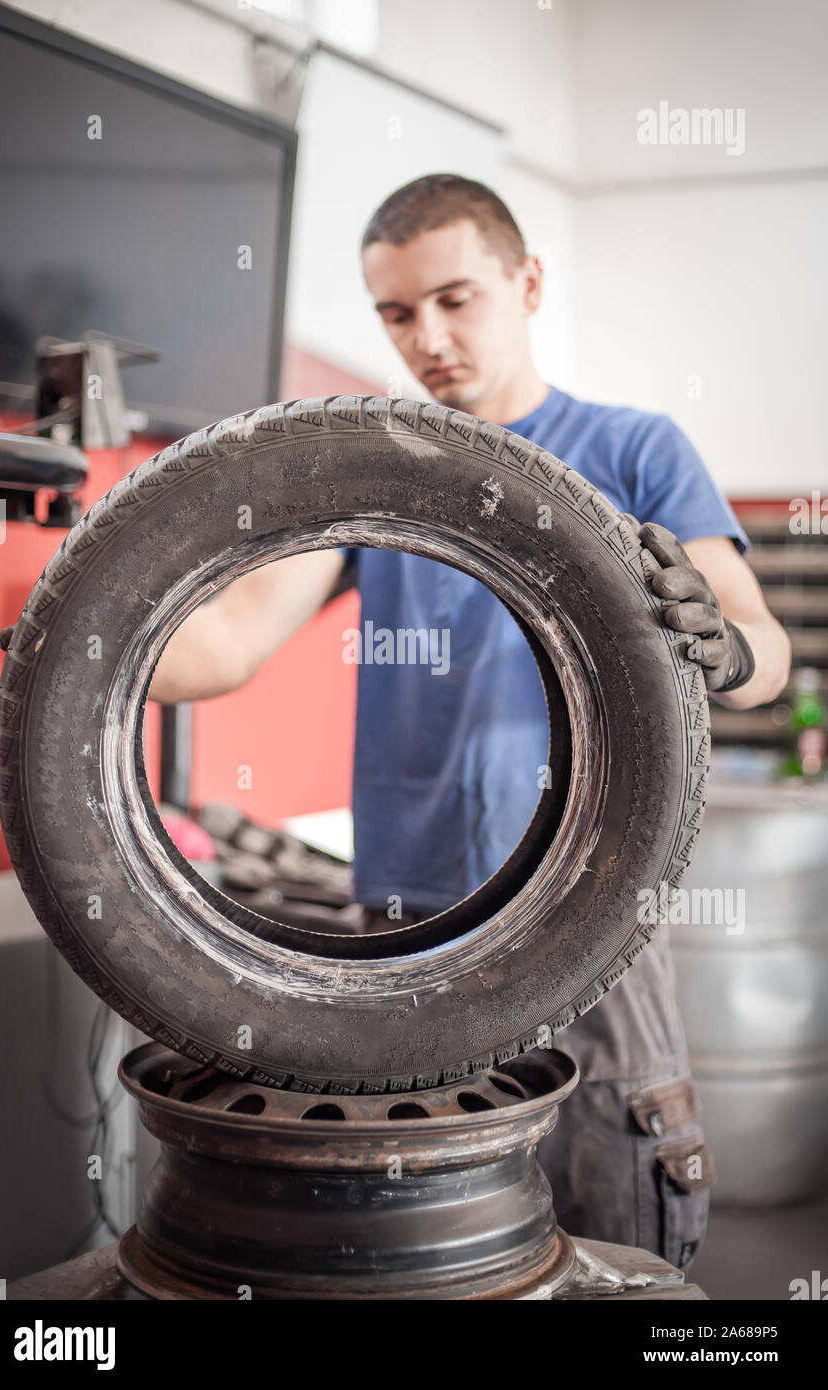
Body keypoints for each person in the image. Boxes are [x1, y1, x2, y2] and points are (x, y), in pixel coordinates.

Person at [149, 174, 791, 1269]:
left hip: (594, 919)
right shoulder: (378, 465)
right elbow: (233, 636)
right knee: (424, 1246)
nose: (429, 338)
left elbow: (759, 647)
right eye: (397, 313)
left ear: (526, 281)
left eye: (457, 299)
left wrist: (726, 646)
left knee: (619, 1217)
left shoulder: (634, 448)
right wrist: (86, 650)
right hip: (408, 934)